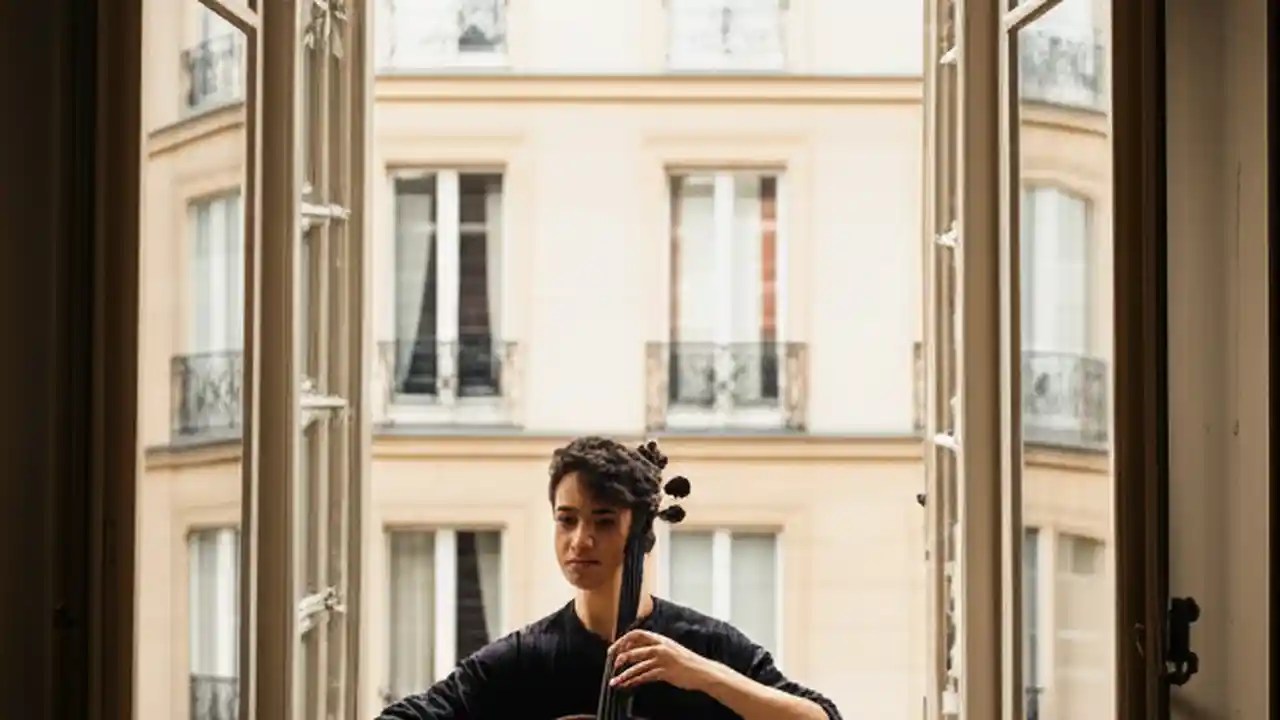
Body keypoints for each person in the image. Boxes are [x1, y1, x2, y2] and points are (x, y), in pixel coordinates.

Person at [377, 436, 842, 720]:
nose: (580, 540)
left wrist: (700, 674)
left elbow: (821, 717)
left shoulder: (705, 646)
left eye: (603, 521)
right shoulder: (524, 659)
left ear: (640, 532)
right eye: (567, 520)